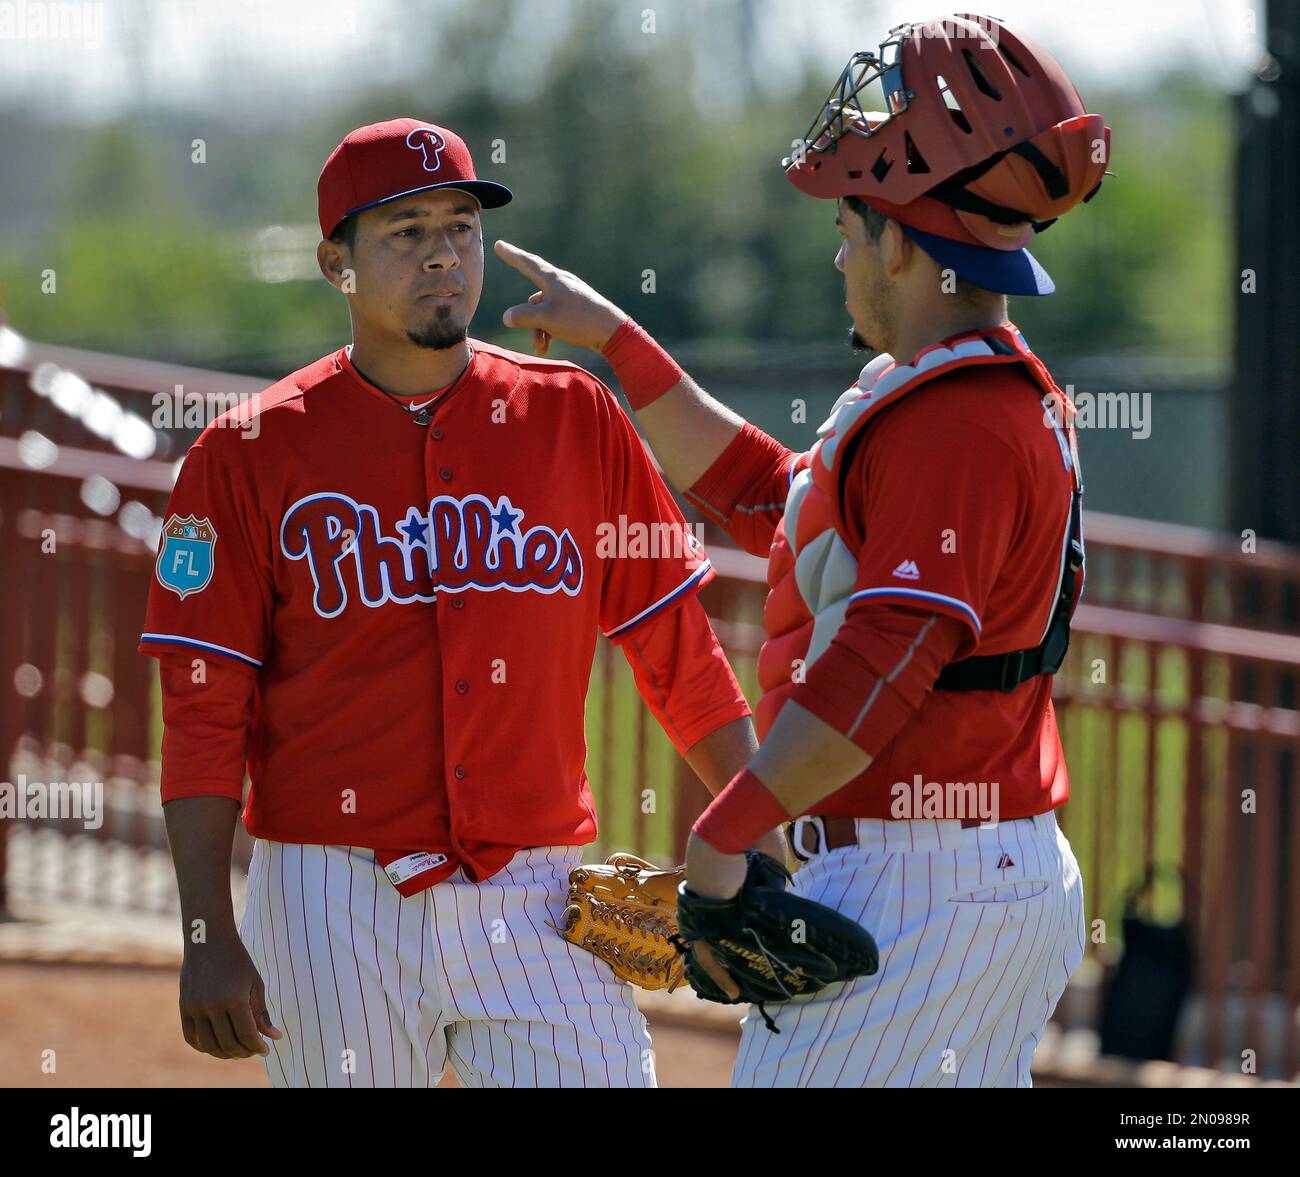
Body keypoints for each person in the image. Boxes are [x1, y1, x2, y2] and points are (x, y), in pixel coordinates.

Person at [494, 14, 1109, 1086]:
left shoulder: (956, 419)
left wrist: (724, 835)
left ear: (905, 244)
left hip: (929, 885)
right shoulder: (953, 384)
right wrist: (614, 343)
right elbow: (776, 502)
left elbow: (880, 667)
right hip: (958, 873)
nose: (839, 252)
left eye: (851, 226)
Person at [140, 117, 763, 1088]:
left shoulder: (574, 416)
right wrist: (206, 928)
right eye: (404, 230)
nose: (441, 251)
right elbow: (203, 703)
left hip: (539, 884)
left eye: (460, 224)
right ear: (335, 263)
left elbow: (678, 655)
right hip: (328, 889)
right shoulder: (246, 451)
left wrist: (757, 827)